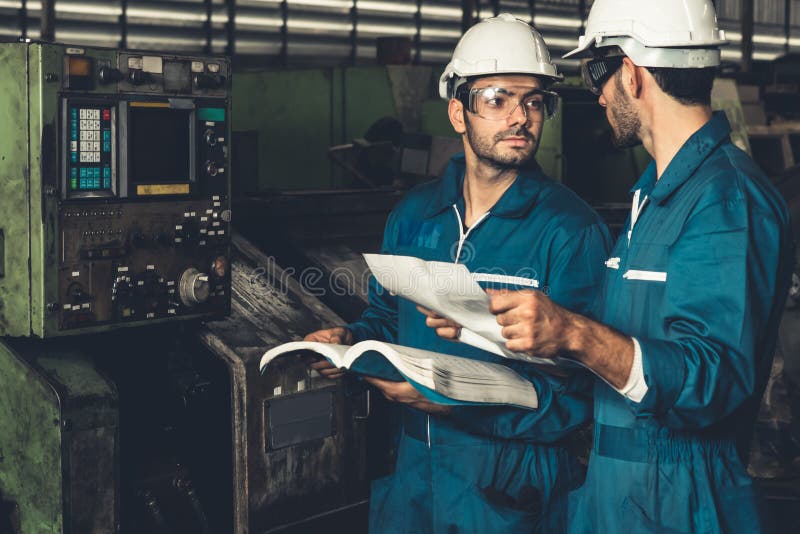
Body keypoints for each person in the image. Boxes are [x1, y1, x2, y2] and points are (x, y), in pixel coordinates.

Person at [427, 1, 792, 532]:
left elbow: (715, 380)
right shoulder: (656, 196)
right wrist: (487, 331)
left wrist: (573, 332)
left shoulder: (725, 198)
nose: (597, 94)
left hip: (683, 500)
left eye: (598, 73)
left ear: (631, 72)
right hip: (618, 492)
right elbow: (620, 346)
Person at [303, 14, 612, 533]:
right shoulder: (414, 215)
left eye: (534, 100)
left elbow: (582, 394)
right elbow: (387, 317)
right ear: (457, 112)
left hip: (511, 492)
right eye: (497, 98)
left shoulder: (570, 230)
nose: (520, 116)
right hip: (412, 484)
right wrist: (350, 344)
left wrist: (455, 405)